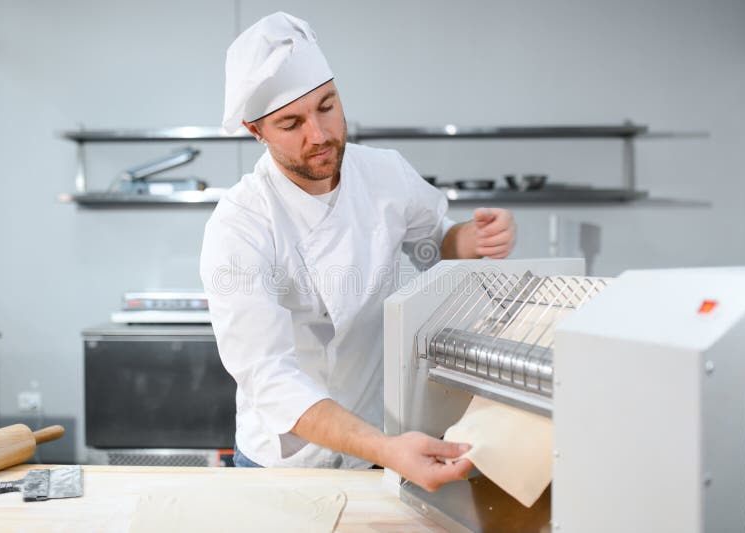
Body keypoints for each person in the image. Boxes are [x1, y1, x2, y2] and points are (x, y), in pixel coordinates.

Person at [200, 12, 516, 492]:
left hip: (382, 447)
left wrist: (472, 240)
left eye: (327, 106)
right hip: (283, 466)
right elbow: (268, 375)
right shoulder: (240, 224)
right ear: (255, 131)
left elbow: (435, 242)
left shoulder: (385, 173)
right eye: (291, 122)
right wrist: (387, 449)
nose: (320, 135)